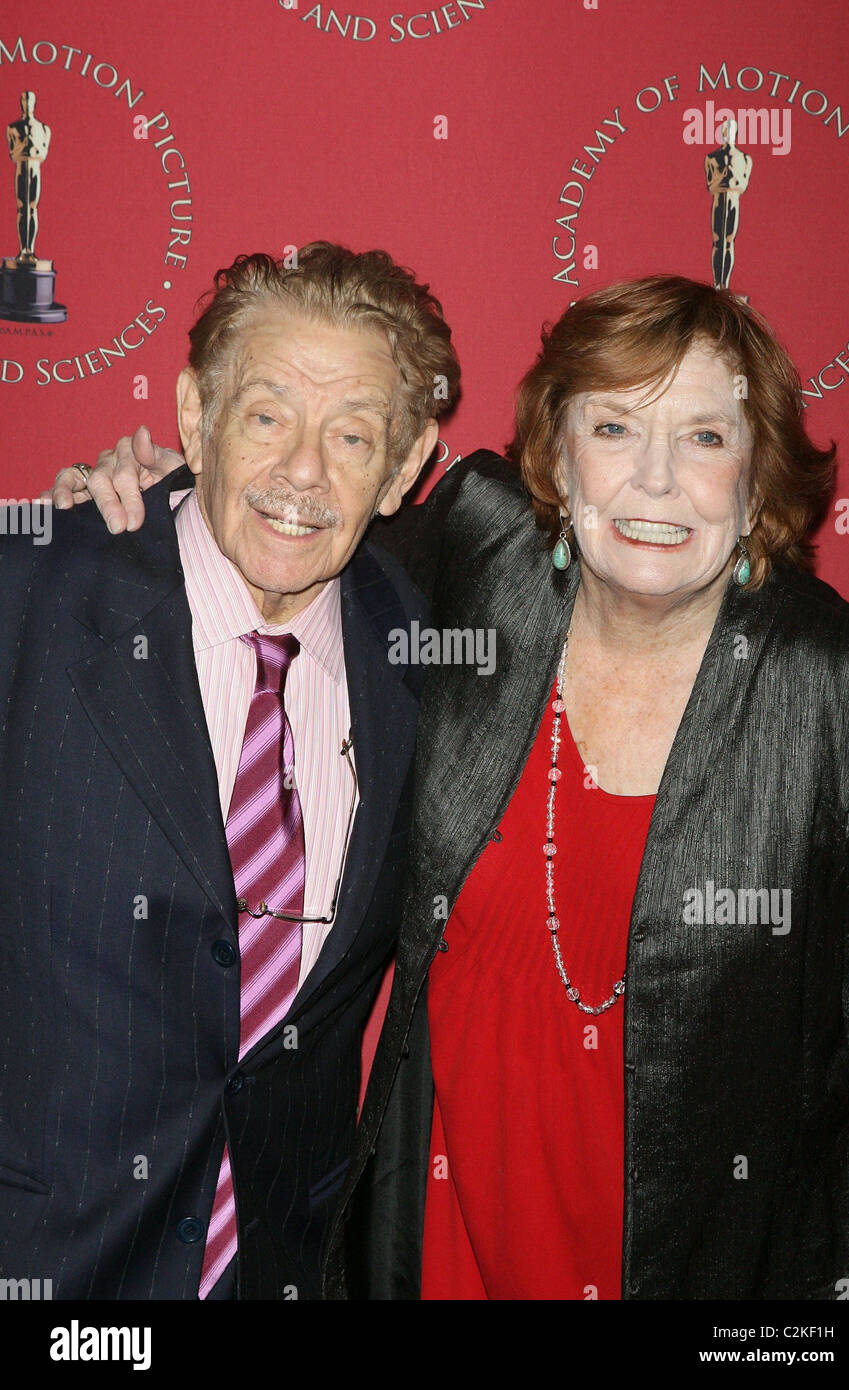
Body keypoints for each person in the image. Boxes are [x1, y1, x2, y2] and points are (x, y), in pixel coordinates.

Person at [51, 275, 849, 1300]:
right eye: (614, 426)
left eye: (705, 439)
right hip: (437, 1254)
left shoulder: (838, 687)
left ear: (756, 480)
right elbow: (300, 507)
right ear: (556, 455)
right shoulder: (477, 559)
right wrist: (165, 484)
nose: (655, 480)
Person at [2, 241, 457, 1300]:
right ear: (194, 414)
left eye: (351, 435)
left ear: (402, 466)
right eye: (265, 416)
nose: (302, 472)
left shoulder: (430, 662)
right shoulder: (32, 596)